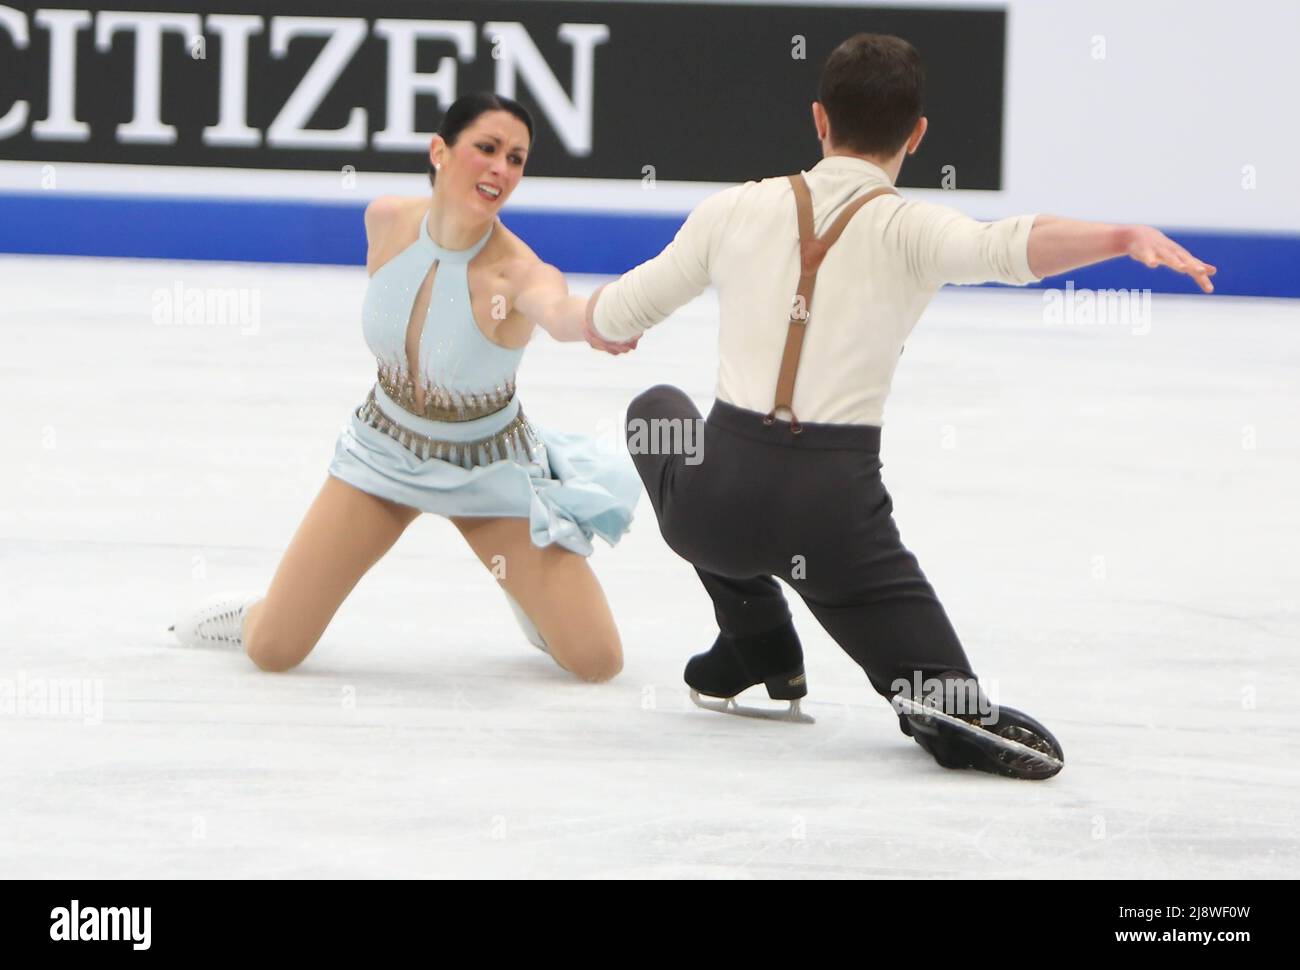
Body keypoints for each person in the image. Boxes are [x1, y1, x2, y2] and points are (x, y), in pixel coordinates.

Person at [561, 34, 1216, 778]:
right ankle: (929, 701)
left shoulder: (732, 210)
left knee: (657, 410)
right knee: (953, 709)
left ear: (818, 120)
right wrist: (1123, 236)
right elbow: (1014, 247)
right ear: (916, 134)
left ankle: (758, 638)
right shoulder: (914, 230)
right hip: (837, 524)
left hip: (719, 506)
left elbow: (614, 314)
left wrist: (602, 325)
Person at [172, 93, 642, 682]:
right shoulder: (387, 221)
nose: (502, 168)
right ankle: (256, 612)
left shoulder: (517, 273)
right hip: (382, 455)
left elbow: (560, 311)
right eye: (487, 149)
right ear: (440, 151)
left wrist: (598, 319)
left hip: (488, 470)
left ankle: (528, 596)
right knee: (273, 650)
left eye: (517, 159)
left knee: (597, 663)